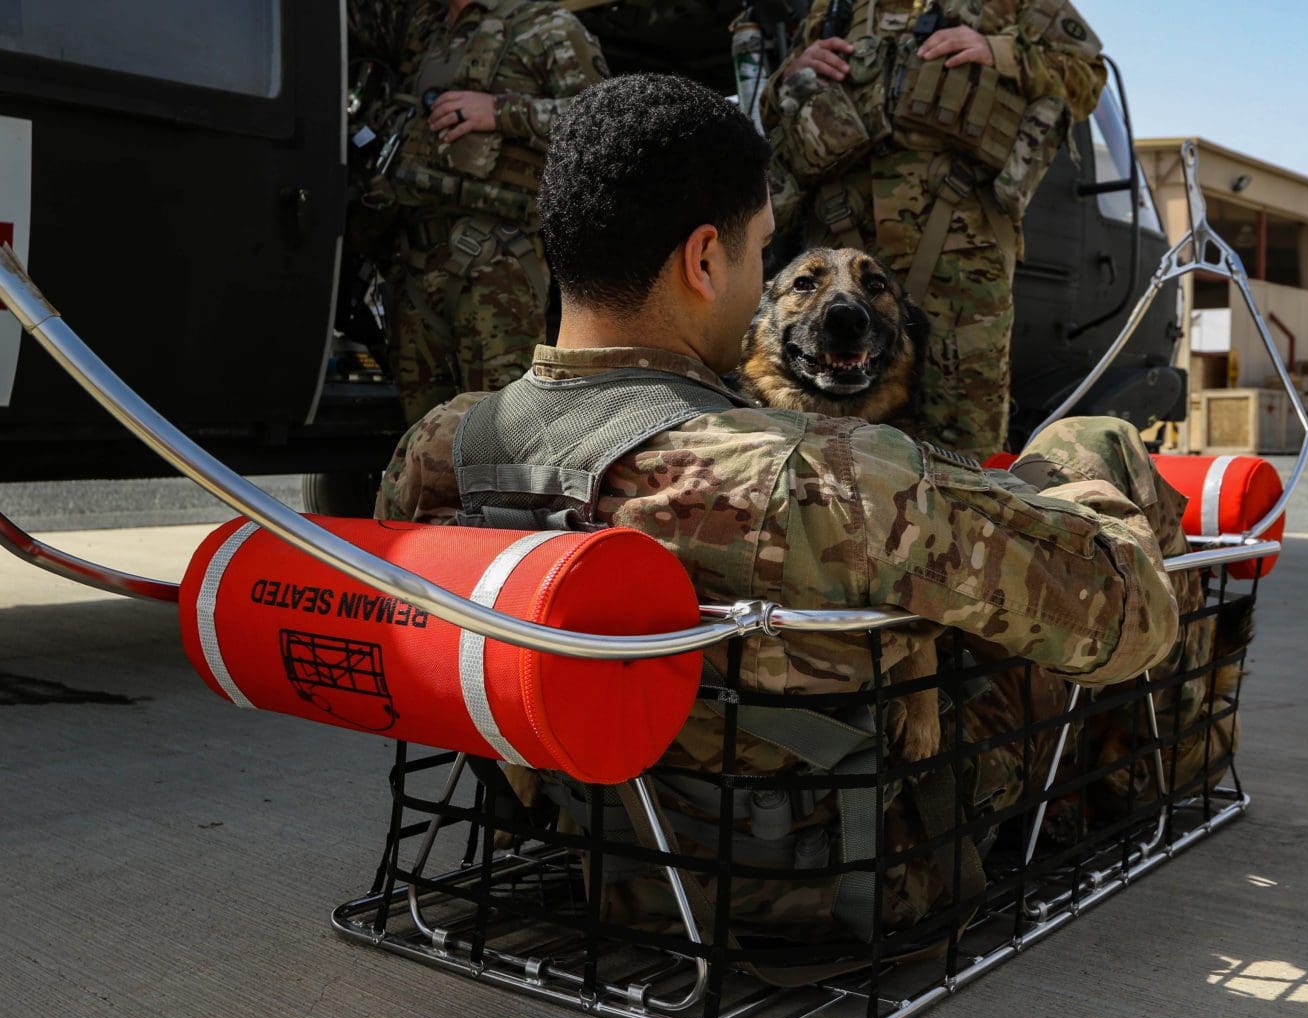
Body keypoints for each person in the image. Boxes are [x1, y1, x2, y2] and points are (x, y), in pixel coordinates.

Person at [376, 74, 1181, 944]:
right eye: (764, 249)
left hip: (593, 844)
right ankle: (1148, 776)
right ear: (704, 261)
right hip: (843, 883)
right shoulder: (836, 477)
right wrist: (1081, 497)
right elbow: (1133, 621)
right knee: (1094, 443)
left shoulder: (443, 446)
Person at [762, 0, 1107, 459]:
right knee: (832, 441)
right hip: (843, 249)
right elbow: (772, 110)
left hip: (961, 261)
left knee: (965, 444)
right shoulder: (835, 6)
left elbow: (1088, 78)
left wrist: (999, 52)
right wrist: (791, 74)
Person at [378, 0, 608, 423]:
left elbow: (601, 122)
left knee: (502, 431)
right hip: (412, 264)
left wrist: (500, 111)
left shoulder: (546, 25)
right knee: (424, 437)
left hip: (495, 264)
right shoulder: (425, 32)